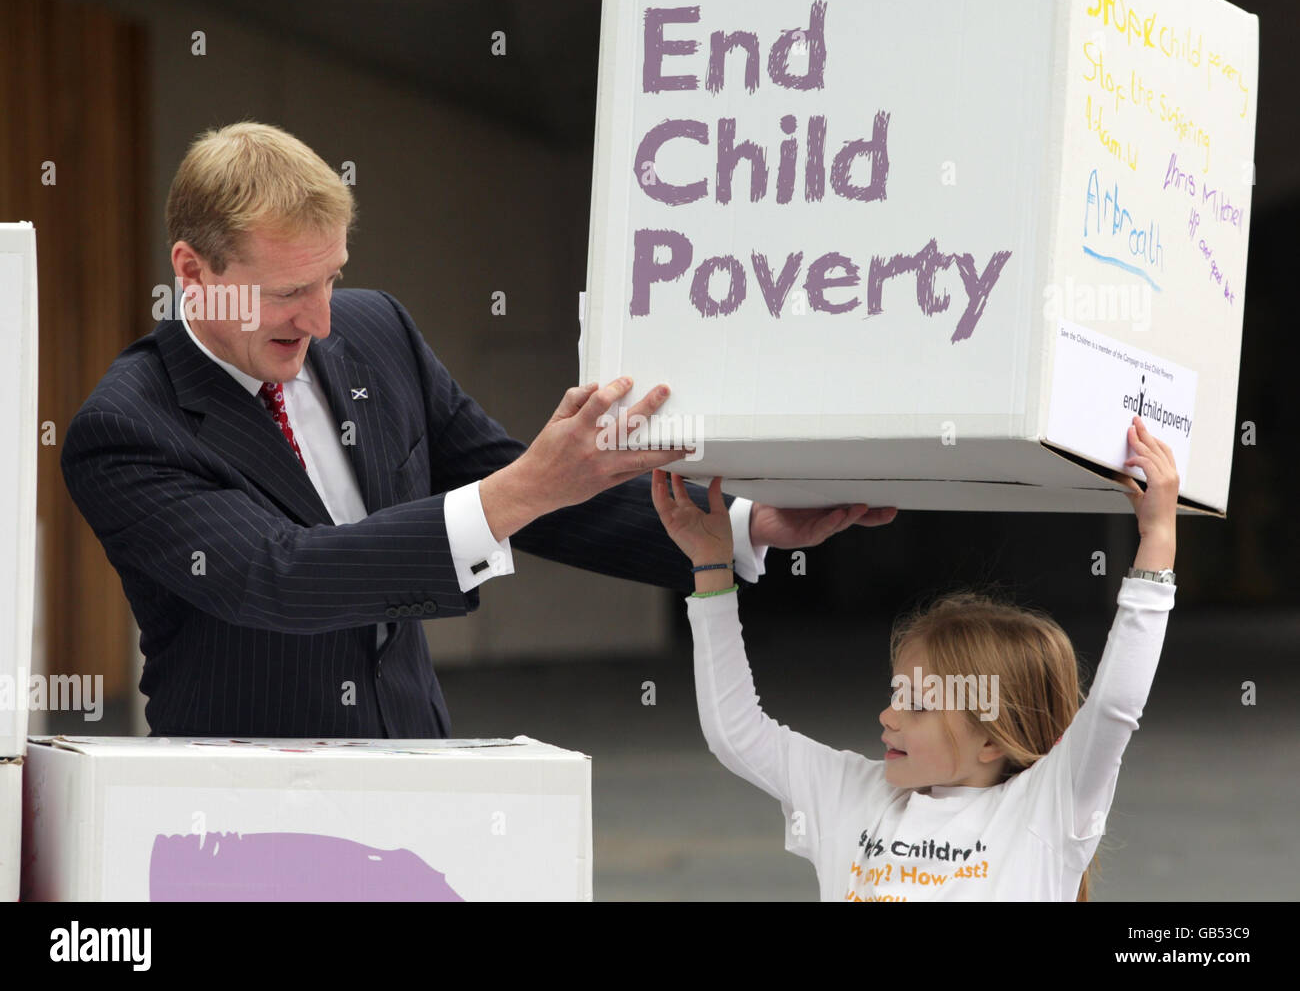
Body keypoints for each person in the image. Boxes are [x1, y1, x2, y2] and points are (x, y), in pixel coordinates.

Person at [60, 121, 895, 739]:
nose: (318, 320)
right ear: (191, 270)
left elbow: (521, 483)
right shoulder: (127, 426)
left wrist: (745, 526)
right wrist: (523, 487)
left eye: (332, 278)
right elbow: (280, 578)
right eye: (285, 293)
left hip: (422, 768)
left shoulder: (375, 329)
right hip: (240, 810)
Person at [652, 415, 1178, 901]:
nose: (888, 716)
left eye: (919, 705)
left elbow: (1113, 707)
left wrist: (1157, 539)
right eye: (897, 695)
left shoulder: (1045, 808)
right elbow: (735, 731)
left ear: (993, 738)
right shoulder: (852, 794)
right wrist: (711, 567)